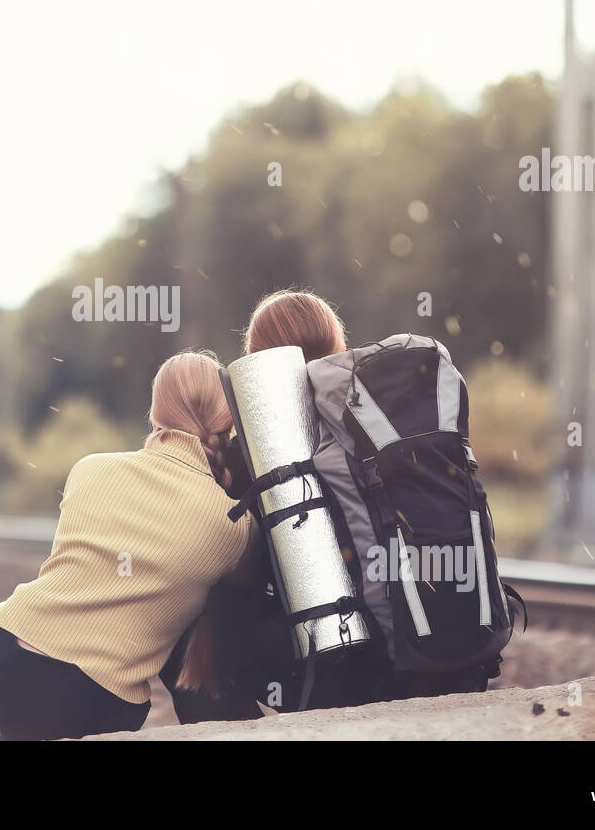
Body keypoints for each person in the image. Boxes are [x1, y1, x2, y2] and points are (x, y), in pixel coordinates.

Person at [161, 289, 491, 721]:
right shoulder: (378, 423)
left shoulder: (261, 452)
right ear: (337, 343)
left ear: (260, 360)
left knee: (192, 622)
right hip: (449, 643)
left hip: (349, 673)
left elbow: (235, 574)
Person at [0, 350, 257, 740]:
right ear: (229, 421)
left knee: (33, 711)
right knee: (92, 696)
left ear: (155, 415)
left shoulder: (89, 468)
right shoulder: (234, 526)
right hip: (87, 696)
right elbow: (238, 598)